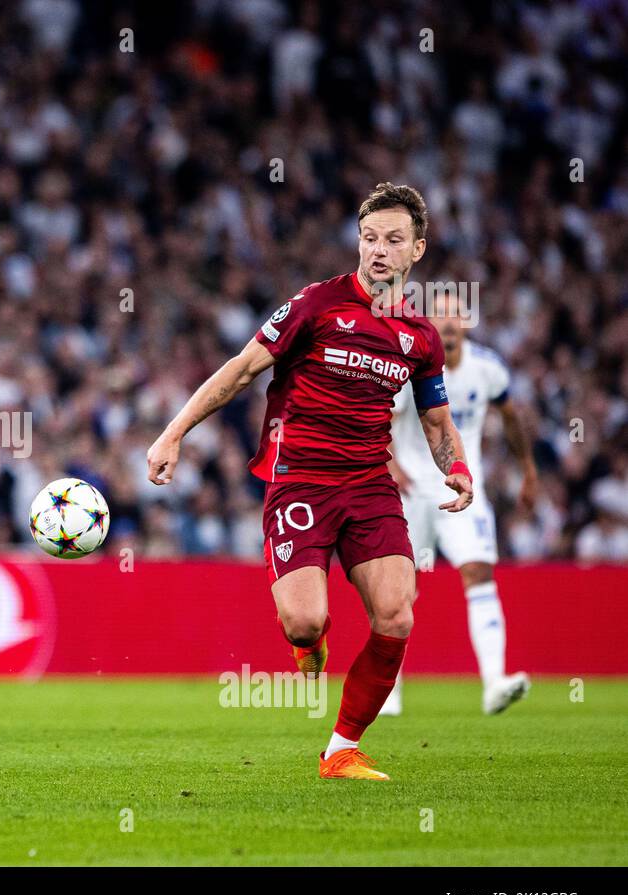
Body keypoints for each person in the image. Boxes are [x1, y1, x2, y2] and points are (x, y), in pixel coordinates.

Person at [146, 182, 474, 781]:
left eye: (393, 240)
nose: (378, 251)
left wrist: (456, 467)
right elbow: (243, 369)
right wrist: (174, 433)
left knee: (397, 615)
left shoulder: (421, 338)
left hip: (371, 485)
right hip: (301, 482)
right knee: (304, 622)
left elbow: (434, 417)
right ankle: (308, 642)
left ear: (417, 250)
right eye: (369, 238)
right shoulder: (315, 304)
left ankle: (341, 749)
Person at [383, 291, 534, 715]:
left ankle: (494, 684)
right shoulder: (409, 367)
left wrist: (528, 468)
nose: (448, 324)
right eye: (440, 316)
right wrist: (391, 464)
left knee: (478, 572)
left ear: (465, 323)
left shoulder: (487, 368)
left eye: (455, 316)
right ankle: (388, 691)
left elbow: (510, 416)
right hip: (413, 491)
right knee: (398, 590)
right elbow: (383, 419)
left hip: (465, 487)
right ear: (429, 324)